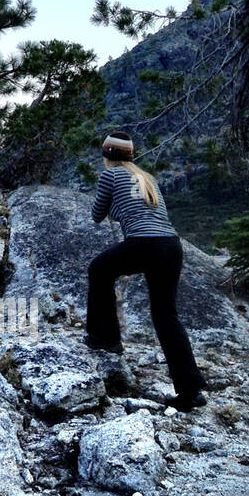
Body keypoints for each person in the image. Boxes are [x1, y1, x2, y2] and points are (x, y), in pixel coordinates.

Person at [86, 130, 207, 412]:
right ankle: (190, 391)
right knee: (166, 316)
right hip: (171, 245)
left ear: (107, 155)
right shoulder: (146, 178)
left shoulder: (110, 176)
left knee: (98, 270)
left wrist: (116, 208)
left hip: (144, 243)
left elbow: (96, 214)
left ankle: (106, 338)